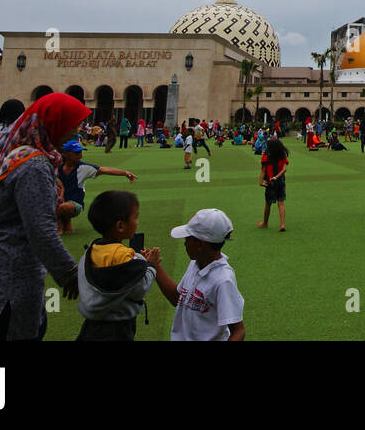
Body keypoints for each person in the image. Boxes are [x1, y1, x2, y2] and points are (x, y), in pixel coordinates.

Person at [0, 92, 90, 339]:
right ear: (54, 125)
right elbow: (41, 230)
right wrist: (69, 274)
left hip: (3, 268)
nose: (75, 134)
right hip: (10, 273)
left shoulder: (21, 153)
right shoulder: (34, 166)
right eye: (72, 126)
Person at [153, 209, 245, 341]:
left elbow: (238, 331)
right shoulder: (195, 265)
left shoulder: (223, 280)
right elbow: (177, 298)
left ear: (199, 244)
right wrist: (155, 266)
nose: (184, 243)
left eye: (187, 239)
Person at [76, 190, 155, 340]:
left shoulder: (89, 252)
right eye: (135, 217)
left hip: (92, 324)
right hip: (119, 327)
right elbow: (139, 289)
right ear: (120, 226)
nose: (137, 222)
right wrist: (150, 265)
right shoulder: (124, 255)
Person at [56, 139, 139, 234]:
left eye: (81, 152)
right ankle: (66, 224)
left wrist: (125, 173)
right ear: (66, 154)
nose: (80, 155)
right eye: (77, 153)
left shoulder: (84, 168)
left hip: (74, 204)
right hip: (57, 201)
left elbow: (104, 170)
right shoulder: (56, 167)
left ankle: (59, 225)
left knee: (64, 207)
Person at [257, 138, 289, 232]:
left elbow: (263, 171)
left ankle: (265, 223)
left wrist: (261, 181)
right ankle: (282, 224)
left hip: (270, 183)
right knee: (281, 203)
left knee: (268, 203)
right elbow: (284, 169)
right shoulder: (282, 156)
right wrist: (277, 176)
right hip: (281, 182)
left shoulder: (266, 157)